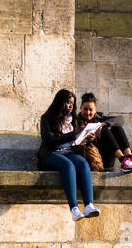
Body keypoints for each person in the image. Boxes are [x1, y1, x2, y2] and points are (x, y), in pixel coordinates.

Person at [38, 89, 101, 220]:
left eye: (72, 103)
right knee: (68, 166)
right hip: (50, 154)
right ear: (59, 102)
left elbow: (75, 142)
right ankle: (74, 209)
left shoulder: (74, 119)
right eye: (67, 102)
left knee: (83, 163)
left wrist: (86, 138)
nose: (70, 106)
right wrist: (72, 135)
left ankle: (89, 205)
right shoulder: (47, 118)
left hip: (69, 152)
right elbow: (49, 141)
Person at [78, 93, 132, 173]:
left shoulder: (100, 119)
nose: (88, 112)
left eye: (90, 110)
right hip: (91, 159)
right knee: (104, 130)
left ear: (95, 110)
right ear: (80, 108)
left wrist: (101, 124)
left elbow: (120, 120)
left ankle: (129, 159)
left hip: (106, 158)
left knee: (117, 127)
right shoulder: (76, 122)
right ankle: (123, 160)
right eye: (85, 109)